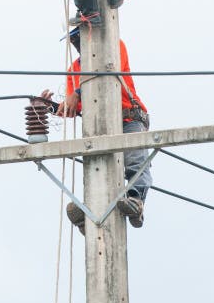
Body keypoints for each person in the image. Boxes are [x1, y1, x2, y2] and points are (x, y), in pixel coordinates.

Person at [42, 28, 151, 233]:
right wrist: (49, 107)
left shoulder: (114, 45)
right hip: (99, 124)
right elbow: (73, 107)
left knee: (135, 161)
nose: (77, 43)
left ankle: (136, 202)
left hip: (129, 117)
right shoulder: (74, 69)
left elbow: (109, 72)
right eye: (74, 39)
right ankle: (91, 212)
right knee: (96, 165)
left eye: (79, 37)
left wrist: (77, 92)